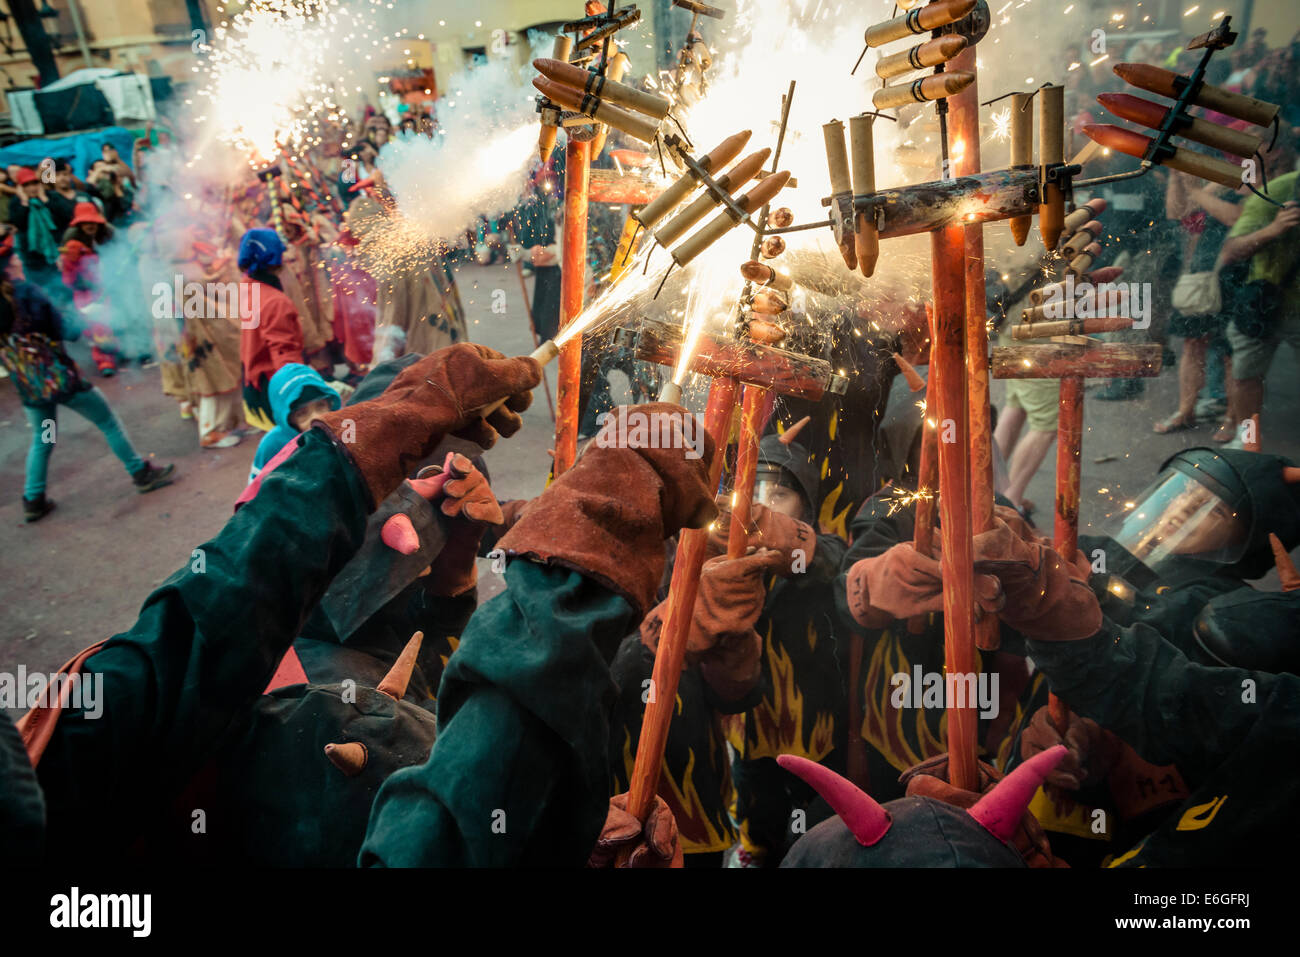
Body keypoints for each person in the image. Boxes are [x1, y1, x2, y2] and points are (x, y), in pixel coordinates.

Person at [0, 237, 174, 523]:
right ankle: (140, 473)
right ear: (8, 266)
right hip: (60, 379)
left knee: (44, 437)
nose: (20, 259)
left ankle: (33, 499)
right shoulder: (28, 293)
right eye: (14, 257)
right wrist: (84, 316)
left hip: (30, 385)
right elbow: (67, 331)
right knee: (107, 422)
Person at [1220, 144, 1300, 444]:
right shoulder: (1276, 195)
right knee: (1246, 377)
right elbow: (1232, 250)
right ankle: (1248, 441)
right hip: (1266, 304)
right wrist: (1275, 229)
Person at [237, 227, 305, 431]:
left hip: (253, 383)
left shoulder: (247, 286)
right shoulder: (275, 302)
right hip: (274, 386)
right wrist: (299, 395)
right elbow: (284, 353)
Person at [57, 201, 127, 375]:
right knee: (97, 326)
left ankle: (117, 350)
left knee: (114, 321)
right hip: (86, 293)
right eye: (85, 222)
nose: (90, 225)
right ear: (79, 225)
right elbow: (68, 280)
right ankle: (104, 361)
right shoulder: (72, 246)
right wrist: (71, 262)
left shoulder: (107, 237)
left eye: (92, 221)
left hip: (108, 287)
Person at [247, 362, 341, 483]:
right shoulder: (273, 444)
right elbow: (256, 490)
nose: (317, 418)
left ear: (330, 404)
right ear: (287, 419)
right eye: (301, 414)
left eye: (321, 406)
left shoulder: (343, 427)